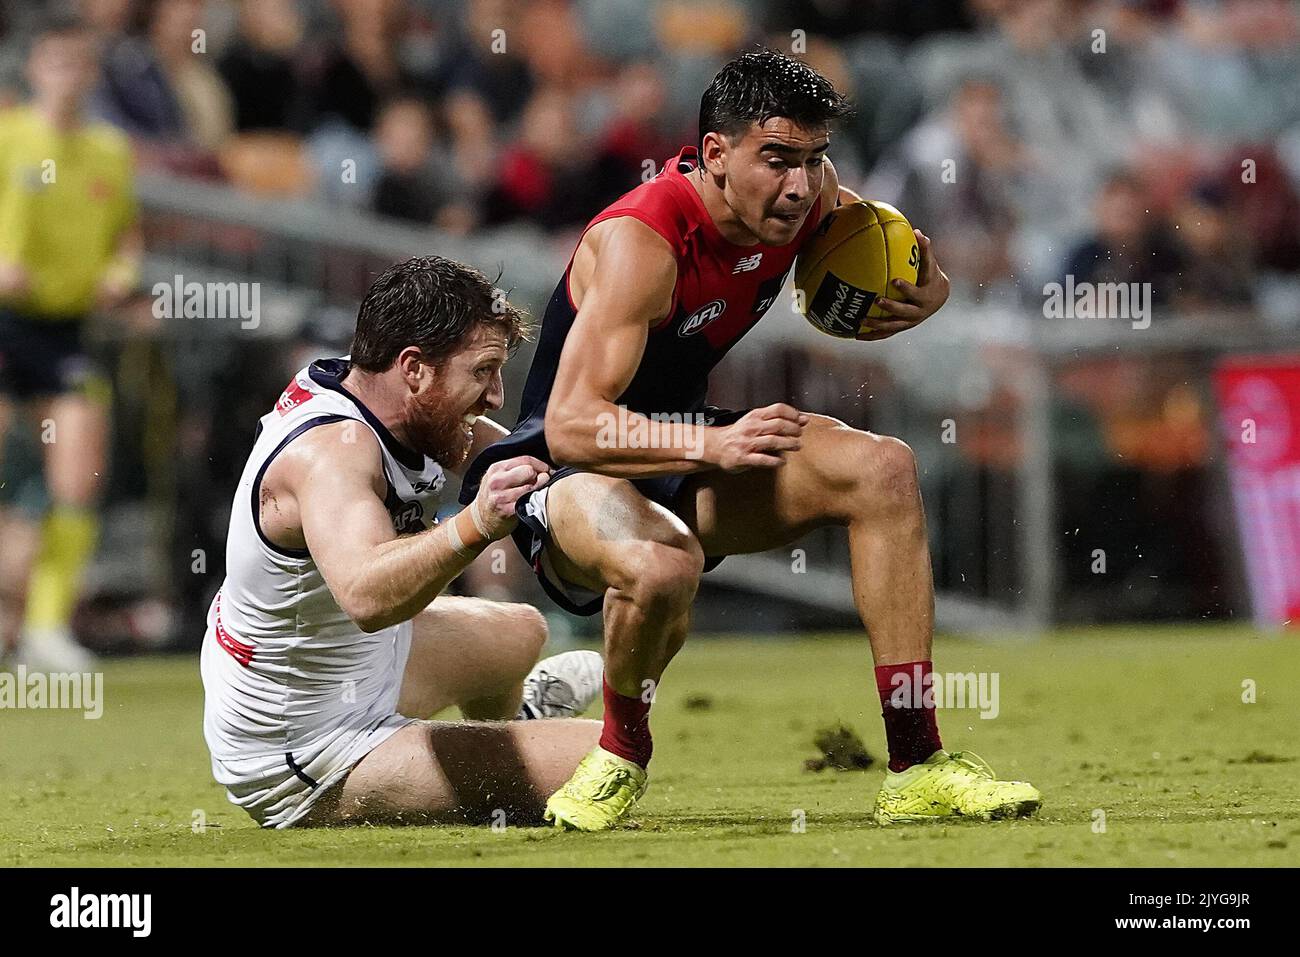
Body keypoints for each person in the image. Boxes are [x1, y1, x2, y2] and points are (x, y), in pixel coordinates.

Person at [461, 50, 1042, 829]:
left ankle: (917, 762)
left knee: (883, 469)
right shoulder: (644, 241)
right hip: (565, 474)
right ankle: (619, 753)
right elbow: (571, 423)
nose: (800, 184)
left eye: (813, 159)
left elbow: (886, 260)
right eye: (776, 159)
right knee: (663, 561)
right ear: (713, 155)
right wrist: (713, 448)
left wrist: (925, 293)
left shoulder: (812, 201)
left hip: (687, 453)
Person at [200, 257, 603, 829]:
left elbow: (525, 458)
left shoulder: (382, 394)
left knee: (521, 633)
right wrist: (476, 524)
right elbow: (367, 596)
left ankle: (508, 736)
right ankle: (490, 771)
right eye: (483, 372)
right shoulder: (332, 453)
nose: (494, 396)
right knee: (601, 755)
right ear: (414, 369)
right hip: (308, 746)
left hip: (344, 667)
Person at [0, 15, 140, 671]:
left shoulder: (110, 150)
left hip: (66, 328)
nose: (67, 76)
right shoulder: (7, 136)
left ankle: (46, 628)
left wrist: (121, 274)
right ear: (33, 68)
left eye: (79, 64)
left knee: (77, 473)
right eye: (55, 62)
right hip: (3, 320)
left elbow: (126, 236)